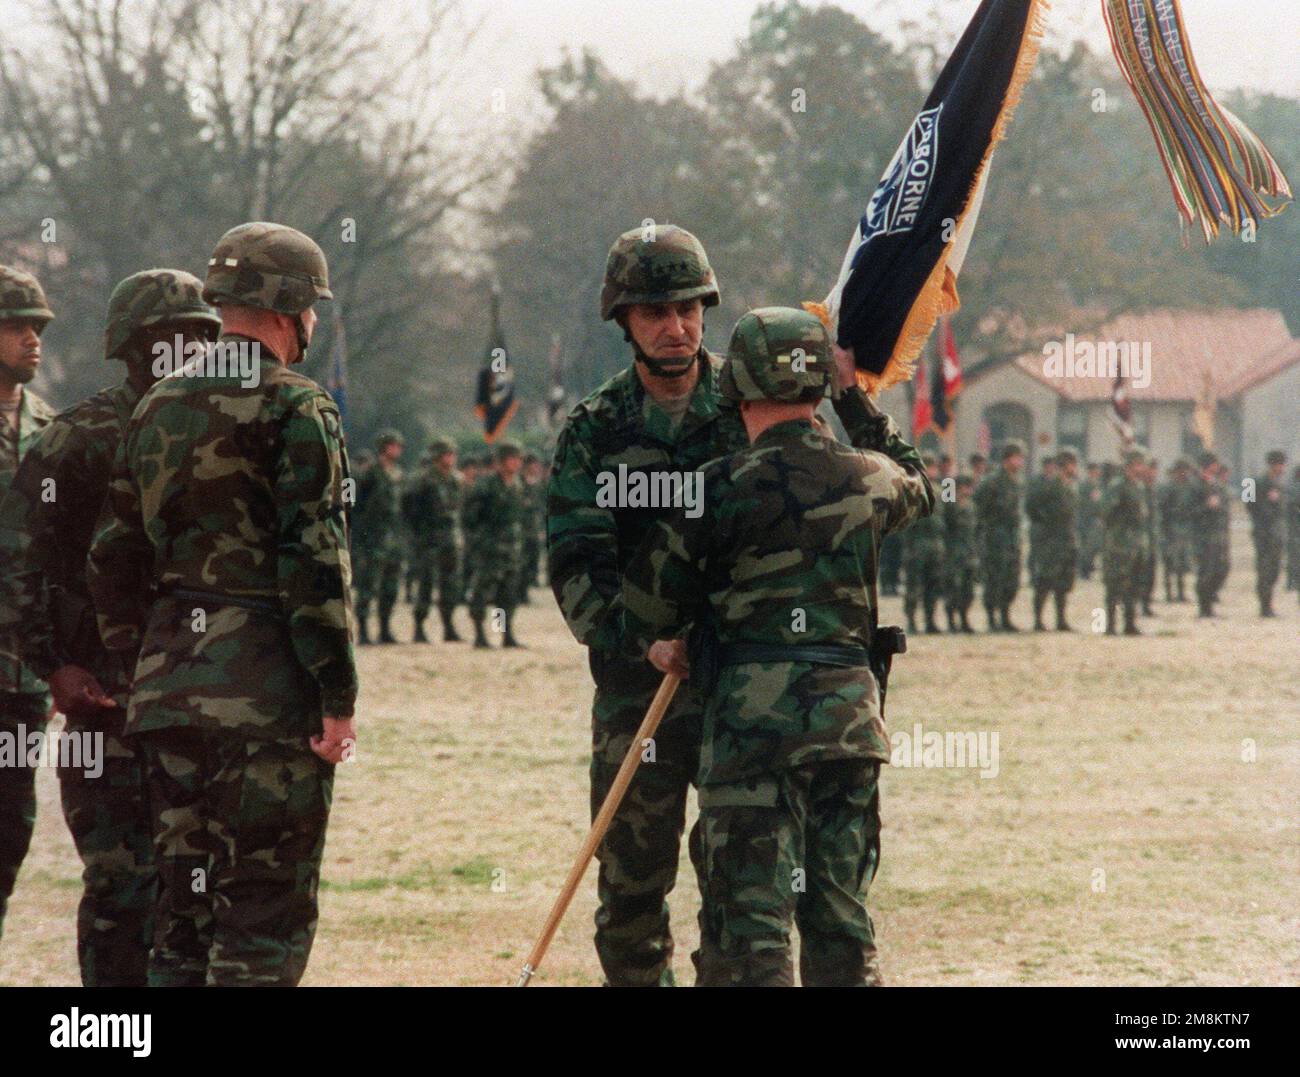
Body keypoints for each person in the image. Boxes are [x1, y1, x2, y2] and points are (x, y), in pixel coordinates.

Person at [621, 307, 934, 985]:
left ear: (737, 385)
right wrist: (857, 397)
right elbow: (921, 483)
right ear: (820, 385)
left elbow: (650, 605)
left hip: (749, 734)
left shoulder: (710, 490)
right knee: (841, 921)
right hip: (848, 730)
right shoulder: (871, 478)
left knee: (750, 932)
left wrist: (668, 642)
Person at [87, 222, 357, 986]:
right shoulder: (299, 409)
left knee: (182, 924)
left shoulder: (156, 406)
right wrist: (336, 697)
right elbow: (314, 566)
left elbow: (111, 557)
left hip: (169, 702)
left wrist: (139, 665)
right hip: (268, 706)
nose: (312, 326)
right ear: (289, 306)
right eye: (312, 309)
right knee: (262, 927)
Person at [0, 269, 220, 984]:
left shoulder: (219, 436)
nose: (191, 351)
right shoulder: (78, 439)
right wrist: (53, 662)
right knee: (122, 885)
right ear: (138, 347)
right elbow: (24, 566)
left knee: (195, 887)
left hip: (199, 701)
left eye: (202, 337)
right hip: (107, 704)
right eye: (176, 338)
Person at [546, 223, 748, 986]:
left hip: (739, 689)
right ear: (624, 320)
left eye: (690, 308)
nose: (678, 327)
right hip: (639, 695)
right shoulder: (596, 430)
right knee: (631, 885)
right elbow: (574, 564)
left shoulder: (749, 408)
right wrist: (642, 642)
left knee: (740, 881)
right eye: (656, 312)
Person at [0, 264, 56, 942]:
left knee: (10, 826)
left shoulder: (50, 429)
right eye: (17, 326)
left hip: (21, 672)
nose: (32, 340)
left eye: (38, 328)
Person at [401, 436, 465, 642]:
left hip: (449, 540)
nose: (451, 458)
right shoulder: (422, 480)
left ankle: (448, 626)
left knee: (450, 584)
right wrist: (417, 534)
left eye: (453, 454)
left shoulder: (456, 480)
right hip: (428, 541)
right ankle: (419, 627)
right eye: (447, 454)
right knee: (426, 584)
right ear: (437, 457)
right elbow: (409, 509)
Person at [464, 439, 526, 648]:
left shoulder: (517, 485)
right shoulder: (485, 485)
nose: (516, 464)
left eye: (518, 459)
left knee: (506, 596)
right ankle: (480, 635)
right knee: (482, 592)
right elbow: (470, 517)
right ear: (500, 462)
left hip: (511, 550)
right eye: (512, 459)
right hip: (489, 549)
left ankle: (504, 634)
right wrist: (478, 541)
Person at [353, 430, 405, 644]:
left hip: (392, 539)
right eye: (393, 445)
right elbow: (355, 503)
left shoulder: (398, 474)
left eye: (398, 446)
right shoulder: (369, 474)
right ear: (384, 448)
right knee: (368, 586)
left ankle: (385, 629)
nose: (397, 450)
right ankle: (363, 630)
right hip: (372, 539)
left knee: (390, 588)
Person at [974, 440, 1025, 631]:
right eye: (1017, 458)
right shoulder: (991, 482)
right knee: (994, 578)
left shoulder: (1016, 482)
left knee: (1011, 579)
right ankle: (991, 619)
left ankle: (1005, 616)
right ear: (1007, 459)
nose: (1020, 462)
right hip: (995, 537)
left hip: (1012, 537)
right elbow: (979, 508)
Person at [1101, 450, 1150, 636]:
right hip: (1119, 544)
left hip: (1136, 544)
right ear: (1130, 465)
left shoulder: (1139, 486)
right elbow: (1106, 512)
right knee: (1115, 584)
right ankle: (1110, 625)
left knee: (1134, 585)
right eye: (1139, 464)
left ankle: (1130, 623)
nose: (1142, 468)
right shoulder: (1117, 486)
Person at [902, 453, 944, 633]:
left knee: (933, 585)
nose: (933, 470)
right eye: (930, 467)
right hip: (917, 545)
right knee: (914, 586)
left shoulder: (943, 489)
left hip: (936, 544)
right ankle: (911, 621)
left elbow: (952, 509)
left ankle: (930, 620)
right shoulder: (911, 489)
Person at [1245, 450, 1288, 617]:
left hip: (1277, 534)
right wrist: (1266, 503)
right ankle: (1264, 606)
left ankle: (1268, 603)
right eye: (1280, 464)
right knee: (1264, 569)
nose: (1282, 468)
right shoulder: (1255, 481)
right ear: (1273, 464)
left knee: (1275, 569)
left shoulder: (1279, 484)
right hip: (1263, 533)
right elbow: (1248, 504)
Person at [1191, 452, 1231, 618]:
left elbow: (1224, 507)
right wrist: (1206, 507)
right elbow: (1189, 511)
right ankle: (1204, 607)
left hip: (1219, 534)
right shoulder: (1195, 486)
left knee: (1222, 568)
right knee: (1205, 571)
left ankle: (1210, 599)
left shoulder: (1217, 485)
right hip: (1204, 535)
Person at [943, 474, 979, 633]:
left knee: (968, 590)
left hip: (968, 552)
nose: (967, 490)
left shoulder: (971, 506)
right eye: (964, 487)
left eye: (969, 487)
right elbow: (945, 485)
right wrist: (950, 479)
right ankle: (951, 621)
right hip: (952, 553)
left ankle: (964, 619)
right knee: (953, 589)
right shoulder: (949, 504)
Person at [1157, 459, 1195, 603]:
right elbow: (1163, 508)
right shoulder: (1168, 487)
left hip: (1184, 529)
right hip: (1170, 529)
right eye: (1183, 470)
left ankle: (1180, 593)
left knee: (1182, 563)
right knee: (1169, 563)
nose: (1185, 473)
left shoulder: (1189, 486)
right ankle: (1169, 593)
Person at [1076, 461, 1103, 580]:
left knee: (1094, 546)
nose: (1097, 473)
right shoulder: (1084, 485)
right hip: (1085, 520)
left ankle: (1088, 568)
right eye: (1094, 471)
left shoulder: (1098, 485)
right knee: (1085, 547)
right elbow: (1082, 504)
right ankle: (1084, 571)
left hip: (1095, 521)